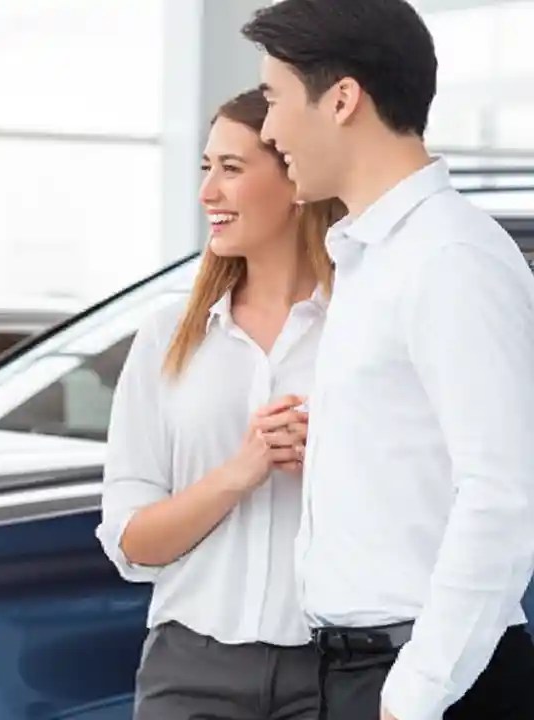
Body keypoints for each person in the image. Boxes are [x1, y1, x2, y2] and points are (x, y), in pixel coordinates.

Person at [242, 1, 534, 719]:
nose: (268, 129)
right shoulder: (372, 258)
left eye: (274, 98)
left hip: (429, 682)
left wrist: (414, 695)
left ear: (342, 98)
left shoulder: (449, 256)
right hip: (363, 671)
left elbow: (502, 493)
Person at [98, 88, 345, 720]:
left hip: (339, 673)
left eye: (231, 168)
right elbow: (133, 542)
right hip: (190, 672)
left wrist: (333, 460)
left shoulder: (362, 329)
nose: (207, 192)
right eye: (206, 167)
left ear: (297, 179)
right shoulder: (167, 337)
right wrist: (239, 472)